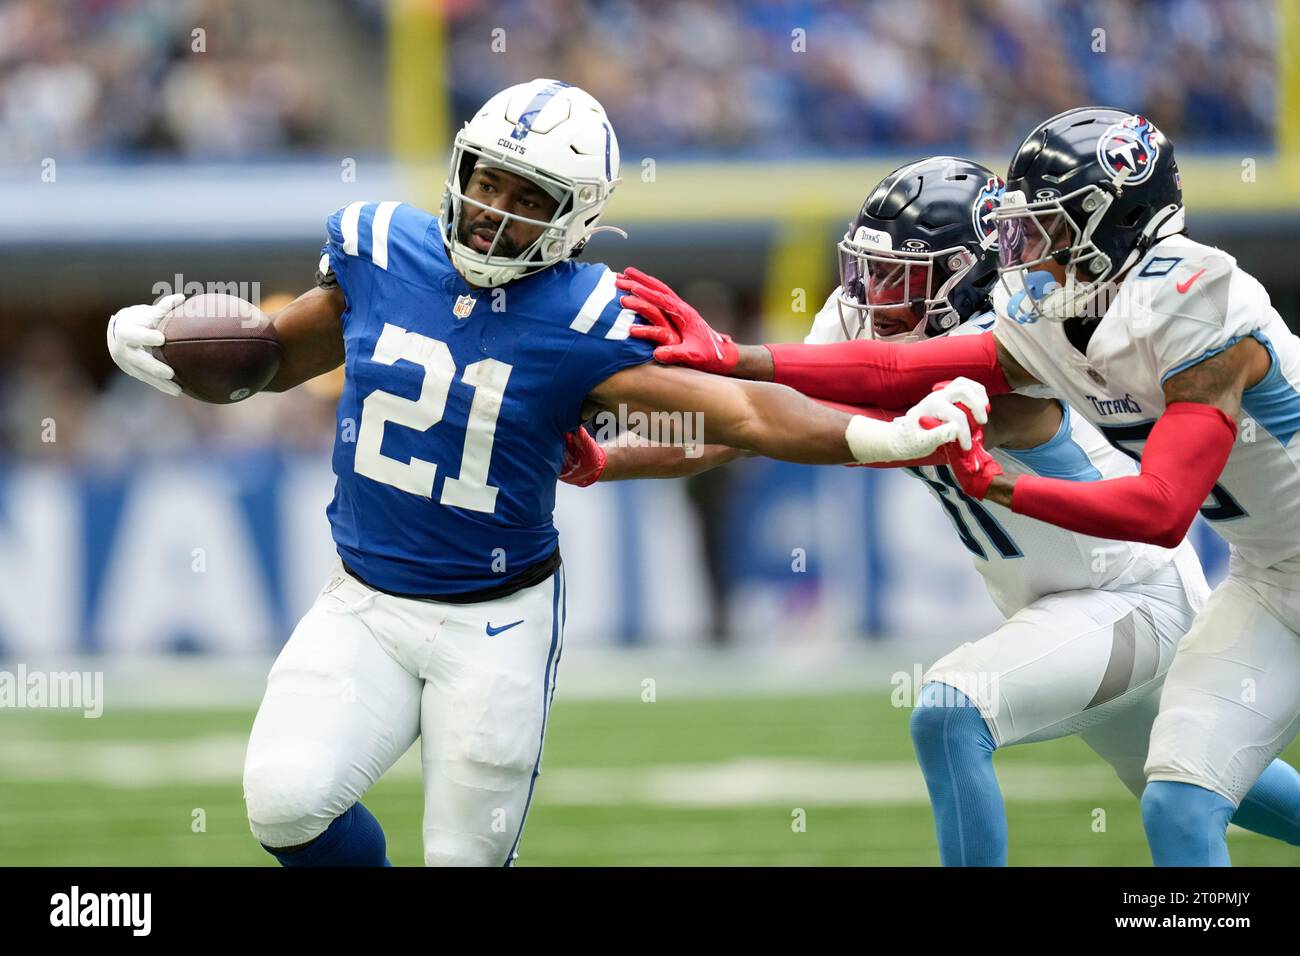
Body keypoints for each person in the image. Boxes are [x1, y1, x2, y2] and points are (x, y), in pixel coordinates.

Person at [105, 79, 971, 867]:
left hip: (495, 627)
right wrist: (165, 347)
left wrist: (877, 436)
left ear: (576, 216)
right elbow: (272, 363)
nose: (493, 211)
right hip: (363, 603)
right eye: (486, 181)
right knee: (286, 803)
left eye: (528, 199)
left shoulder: (585, 314)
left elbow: (736, 413)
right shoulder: (383, 250)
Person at [617, 110, 1300, 867]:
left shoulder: (1045, 334)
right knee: (1192, 792)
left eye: (899, 276)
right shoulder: (1010, 315)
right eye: (867, 271)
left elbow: (814, 413)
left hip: (1124, 594)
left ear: (966, 277)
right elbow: (747, 427)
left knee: (950, 712)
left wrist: (731, 367)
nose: (870, 294)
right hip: (1088, 600)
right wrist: (608, 454)